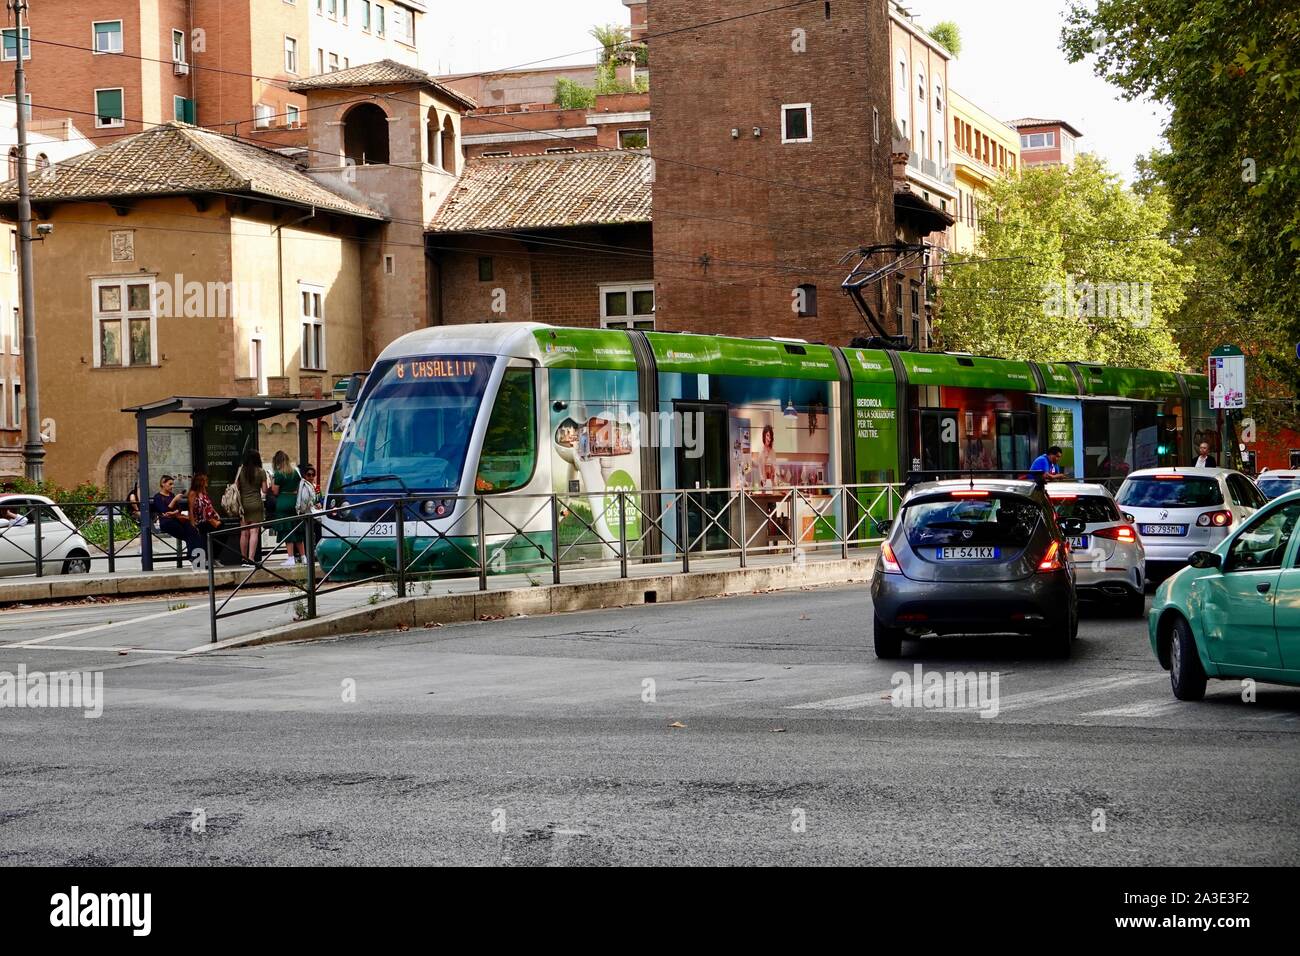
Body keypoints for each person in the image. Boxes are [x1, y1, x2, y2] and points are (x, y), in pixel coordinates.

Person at [269, 450, 306, 567]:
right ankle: (303, 556)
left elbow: (275, 491)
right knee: (297, 529)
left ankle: (290, 558)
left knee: (286, 529)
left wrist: (272, 479)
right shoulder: (295, 472)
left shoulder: (279, 474)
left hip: (283, 501)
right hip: (294, 501)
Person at [151, 475, 200, 556]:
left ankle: (196, 557)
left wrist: (174, 512)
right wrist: (174, 500)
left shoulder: (171, 495)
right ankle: (194, 557)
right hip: (167, 523)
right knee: (189, 535)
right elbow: (164, 510)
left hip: (177, 519)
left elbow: (178, 509)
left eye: (172, 484)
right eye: (170, 484)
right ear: (163, 483)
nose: (172, 486)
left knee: (193, 531)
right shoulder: (158, 497)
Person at [235, 450, 269, 564]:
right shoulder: (261, 472)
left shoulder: (241, 471)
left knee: (244, 533)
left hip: (243, 505)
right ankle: (251, 559)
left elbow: (236, 487)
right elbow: (264, 490)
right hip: (256, 504)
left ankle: (243, 559)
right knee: (254, 532)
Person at [185, 473, 222, 565]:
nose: (207, 482)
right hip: (200, 521)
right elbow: (191, 509)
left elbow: (208, 504)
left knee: (221, 531)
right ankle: (205, 559)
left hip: (208, 519)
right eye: (205, 481)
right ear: (200, 482)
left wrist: (215, 513)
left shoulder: (204, 492)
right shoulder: (193, 493)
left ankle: (213, 557)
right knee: (203, 535)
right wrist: (193, 524)